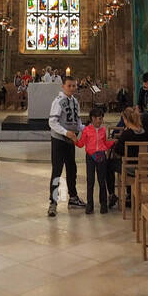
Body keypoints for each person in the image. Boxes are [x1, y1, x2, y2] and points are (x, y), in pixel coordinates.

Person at [46, 76, 84, 216]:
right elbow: (52, 122)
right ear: (63, 86)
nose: (72, 88)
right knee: (57, 171)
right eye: (69, 86)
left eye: (74, 86)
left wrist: (86, 129)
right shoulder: (58, 101)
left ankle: (73, 198)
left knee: (72, 169)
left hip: (70, 139)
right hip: (59, 140)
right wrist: (65, 132)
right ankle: (53, 202)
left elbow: (77, 122)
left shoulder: (75, 101)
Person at [107, 106, 146, 210]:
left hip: (130, 169)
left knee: (109, 165)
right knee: (127, 160)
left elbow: (118, 151)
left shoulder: (127, 134)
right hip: (144, 167)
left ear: (126, 120)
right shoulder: (145, 132)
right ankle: (130, 194)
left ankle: (112, 194)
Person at [76, 108, 113, 214]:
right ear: (93, 118)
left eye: (101, 119)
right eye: (99, 119)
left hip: (101, 156)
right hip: (90, 157)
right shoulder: (86, 130)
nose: (101, 121)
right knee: (90, 181)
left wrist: (113, 142)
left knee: (102, 181)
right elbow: (81, 144)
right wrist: (74, 140)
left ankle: (103, 204)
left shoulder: (103, 130)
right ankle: (90, 205)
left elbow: (105, 143)